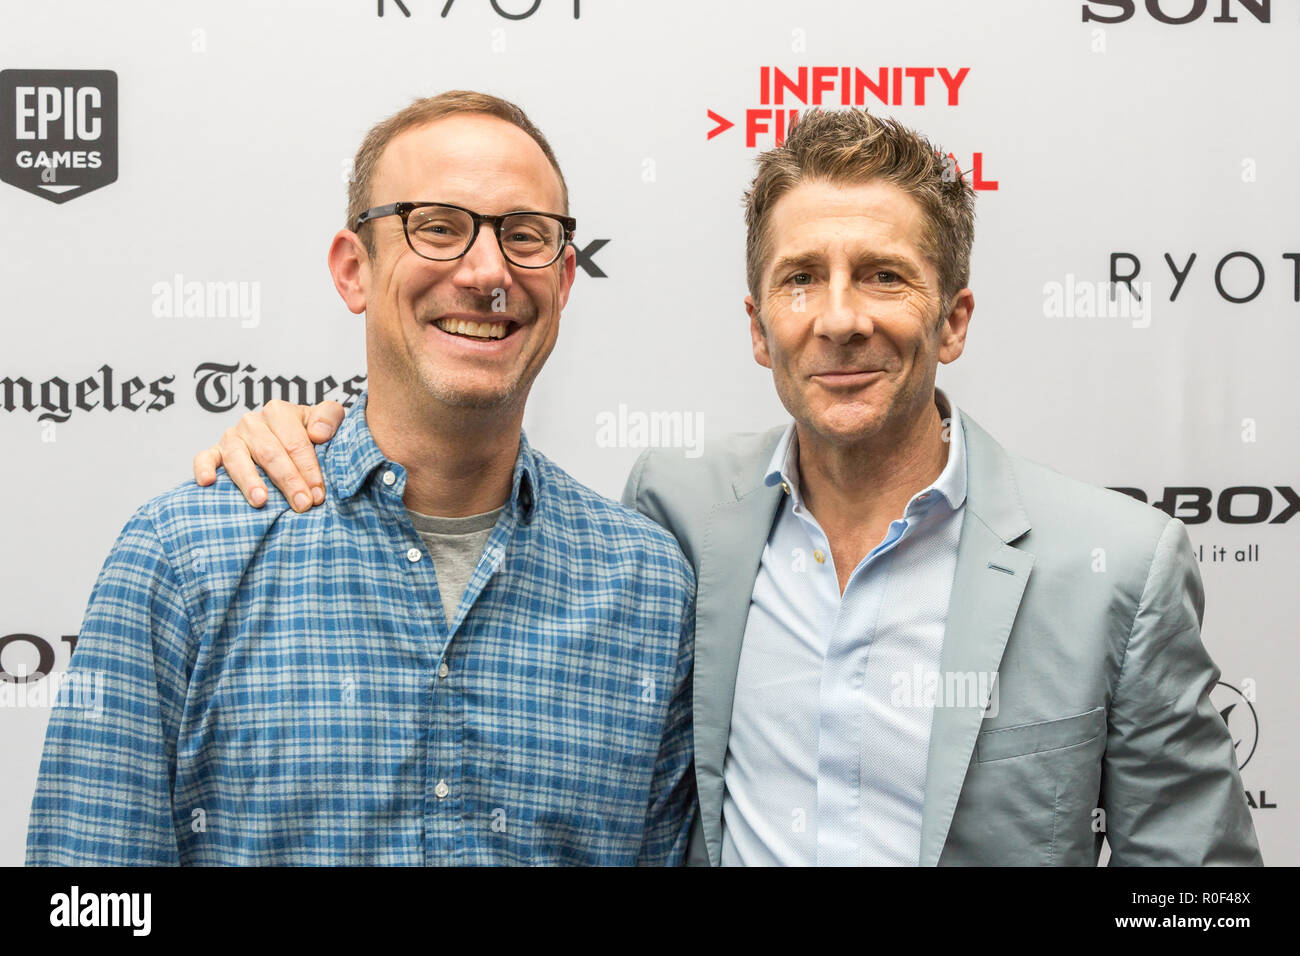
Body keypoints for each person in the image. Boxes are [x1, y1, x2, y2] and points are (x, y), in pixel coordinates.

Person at [189, 109, 1262, 866]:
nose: (839, 316)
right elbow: (446, 461)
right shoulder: (673, 521)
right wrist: (305, 432)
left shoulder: (1114, 566)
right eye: (800, 279)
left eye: (883, 273)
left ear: (954, 318)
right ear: (758, 329)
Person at [27, 91, 696, 866]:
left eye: (525, 236)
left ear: (567, 279)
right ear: (353, 269)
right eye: (438, 227)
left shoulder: (647, 588)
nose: (488, 272)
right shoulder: (183, 560)